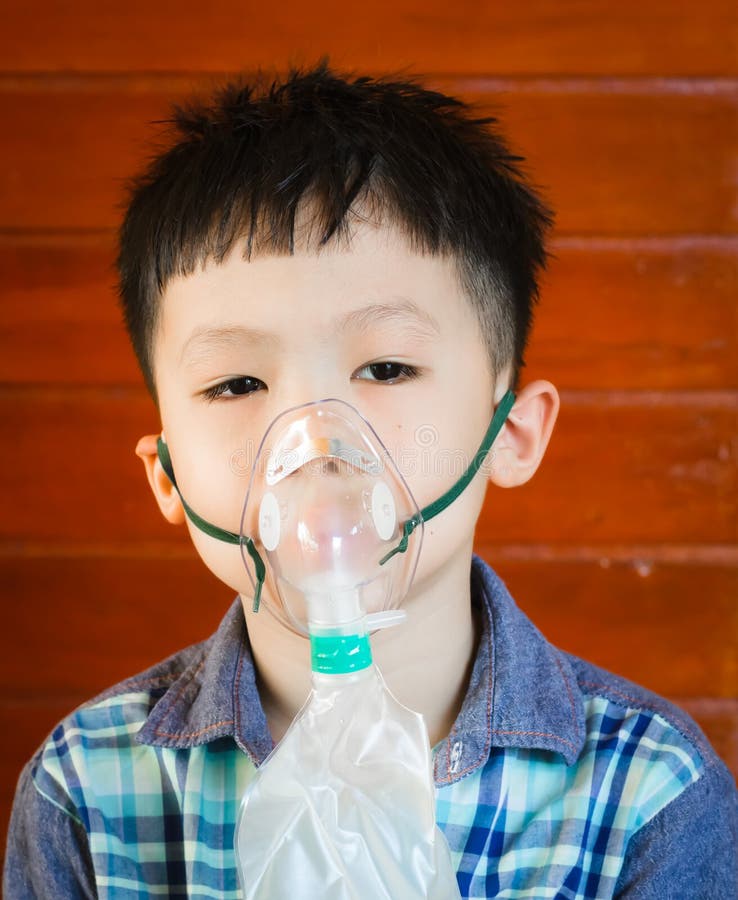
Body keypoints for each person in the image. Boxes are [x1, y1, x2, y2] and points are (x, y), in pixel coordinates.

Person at [4, 60, 737, 898]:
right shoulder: (88, 793)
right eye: (237, 384)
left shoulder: (647, 796)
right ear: (166, 474)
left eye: (385, 368)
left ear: (514, 434)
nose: (315, 444)